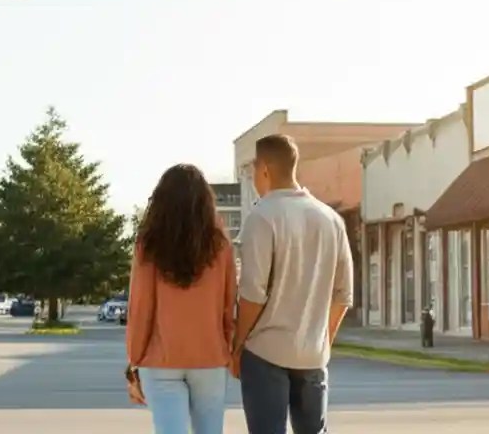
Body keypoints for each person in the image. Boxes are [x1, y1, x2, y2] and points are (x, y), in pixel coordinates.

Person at [232, 134, 354, 434]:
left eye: (252, 172)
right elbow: (343, 295)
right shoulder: (331, 220)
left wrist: (237, 346)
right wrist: (323, 339)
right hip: (312, 355)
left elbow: (252, 294)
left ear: (265, 169)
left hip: (265, 352)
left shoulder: (262, 218)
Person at [126, 163, 237, 434]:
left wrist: (134, 361)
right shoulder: (221, 246)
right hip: (210, 357)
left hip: (161, 359)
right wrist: (228, 350)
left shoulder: (149, 245)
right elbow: (228, 305)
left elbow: (141, 308)